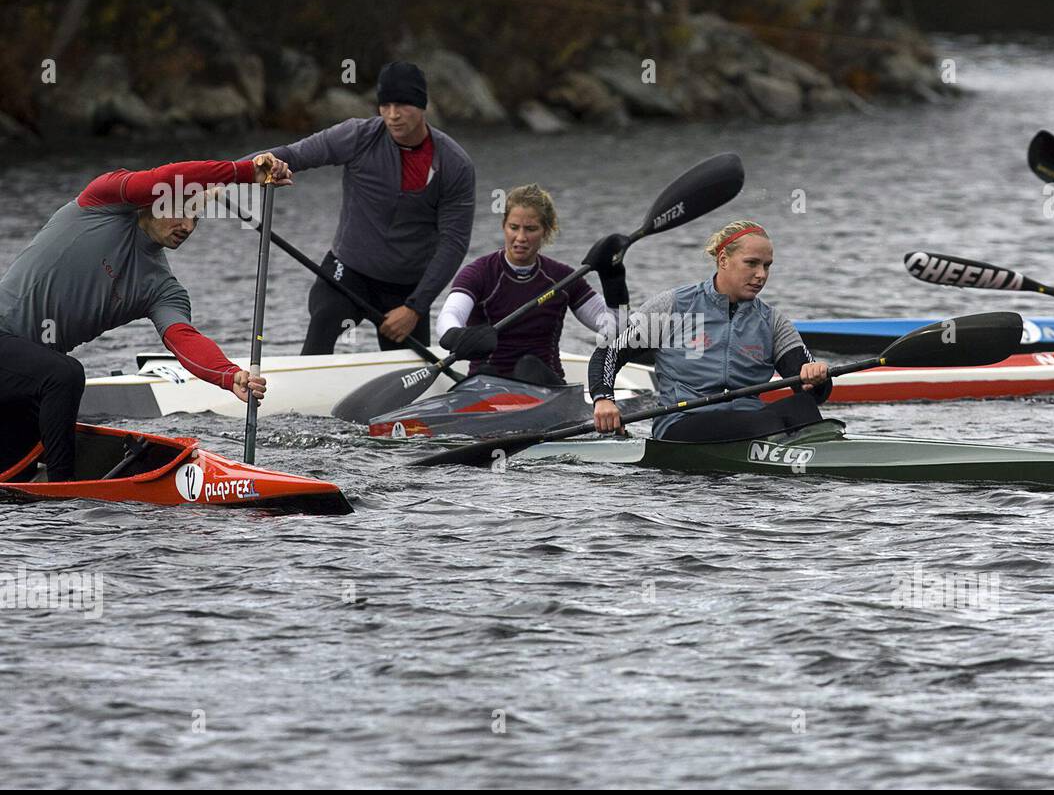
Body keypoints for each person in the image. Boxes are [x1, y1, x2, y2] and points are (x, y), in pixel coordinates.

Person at [0, 154, 289, 481]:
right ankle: (64, 499)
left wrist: (228, 375)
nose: (189, 226)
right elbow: (166, 175)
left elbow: (183, 338)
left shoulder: (163, 287)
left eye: (197, 218)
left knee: (18, 471)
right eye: (182, 211)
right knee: (66, 376)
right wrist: (244, 172)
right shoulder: (103, 200)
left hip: (24, 379)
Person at [244, 61, 475, 354]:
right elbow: (292, 155)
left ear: (422, 105)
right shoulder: (357, 136)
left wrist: (415, 308)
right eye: (386, 105)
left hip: (405, 292)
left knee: (411, 374)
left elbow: (453, 243)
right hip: (346, 275)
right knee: (324, 323)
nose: (392, 115)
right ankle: (306, 389)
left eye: (403, 105)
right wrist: (220, 176)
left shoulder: (454, 164)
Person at [589, 220, 831, 441]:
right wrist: (603, 400)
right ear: (723, 260)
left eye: (767, 266)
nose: (761, 275)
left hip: (753, 423)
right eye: (752, 263)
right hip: (683, 422)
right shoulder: (674, 305)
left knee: (802, 407)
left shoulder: (772, 321)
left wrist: (815, 378)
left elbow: (814, 393)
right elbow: (608, 353)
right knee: (766, 421)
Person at [436, 184, 628, 386]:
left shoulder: (562, 278)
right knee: (488, 374)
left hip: (546, 387)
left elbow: (617, 330)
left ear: (546, 231)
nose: (520, 238)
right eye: (513, 227)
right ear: (504, 226)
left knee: (528, 367)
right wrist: (456, 337)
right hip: (487, 386)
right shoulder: (479, 273)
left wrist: (614, 279)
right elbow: (450, 315)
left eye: (530, 229)